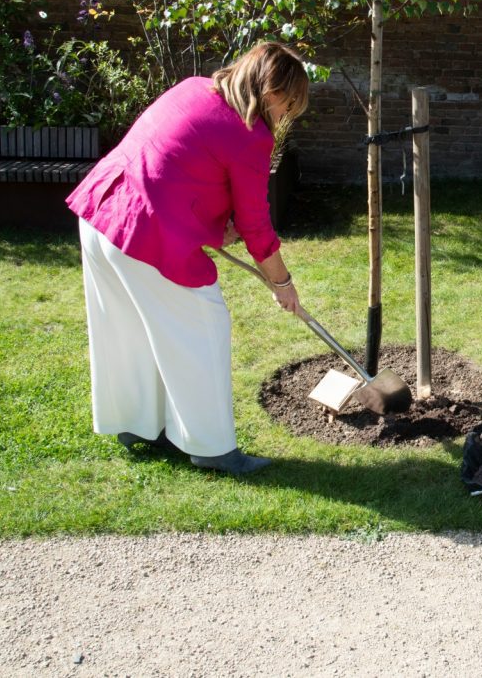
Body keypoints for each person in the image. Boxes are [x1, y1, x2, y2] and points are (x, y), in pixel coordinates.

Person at [66, 41, 309, 476]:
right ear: (272, 92)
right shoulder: (249, 135)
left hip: (103, 213)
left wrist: (217, 229)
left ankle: (136, 426)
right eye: (288, 104)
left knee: (130, 328)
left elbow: (177, 169)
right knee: (204, 326)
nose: (286, 114)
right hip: (144, 234)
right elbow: (256, 227)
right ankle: (212, 447)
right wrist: (282, 283)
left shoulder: (193, 87)